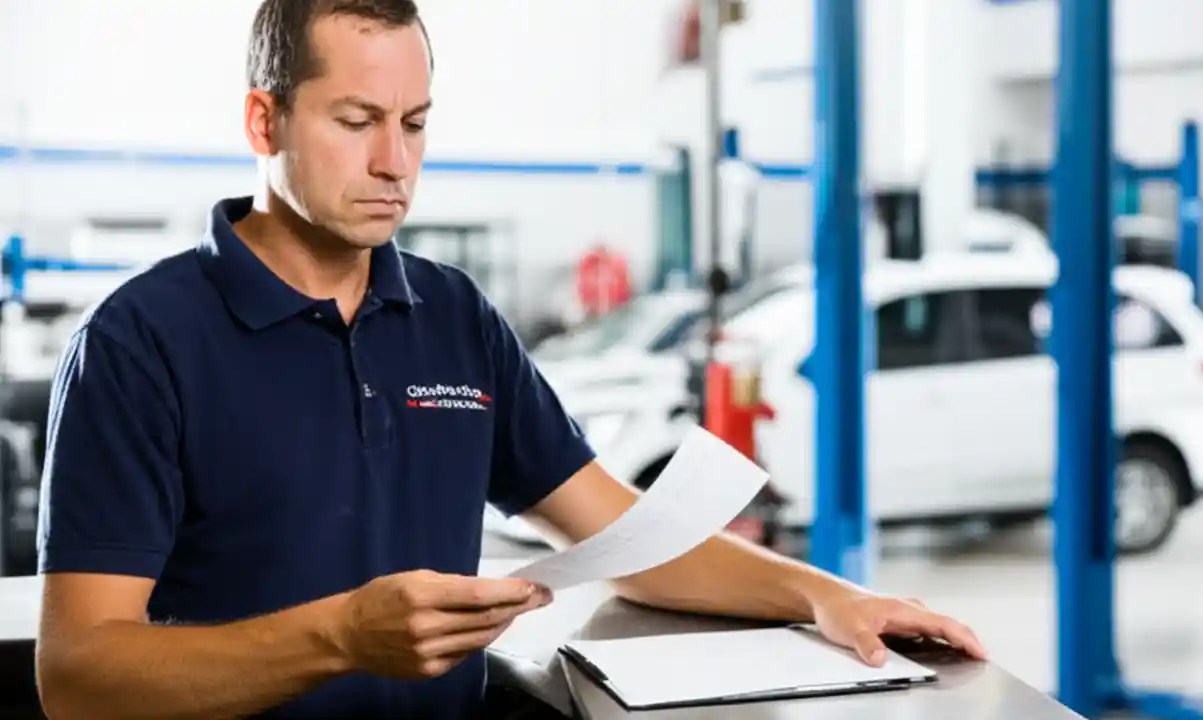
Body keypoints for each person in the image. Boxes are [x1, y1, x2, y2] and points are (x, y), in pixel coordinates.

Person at [33, 1, 986, 718]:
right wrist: (337, 636)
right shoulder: (138, 343)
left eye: (414, 123)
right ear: (264, 122)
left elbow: (629, 538)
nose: (394, 163)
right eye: (356, 121)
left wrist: (834, 597)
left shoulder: (451, 315)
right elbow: (77, 677)